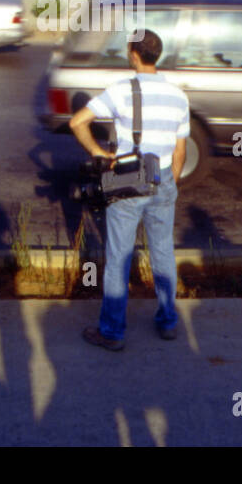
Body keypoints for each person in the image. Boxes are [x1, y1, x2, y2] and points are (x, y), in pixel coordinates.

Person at [71, 29, 190, 352]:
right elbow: (181, 152)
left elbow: (77, 122)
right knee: (163, 252)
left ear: (134, 55)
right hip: (163, 178)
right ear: (157, 55)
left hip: (127, 181)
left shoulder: (122, 91)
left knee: (119, 256)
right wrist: (170, 182)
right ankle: (168, 322)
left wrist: (99, 154)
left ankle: (112, 331)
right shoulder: (178, 96)